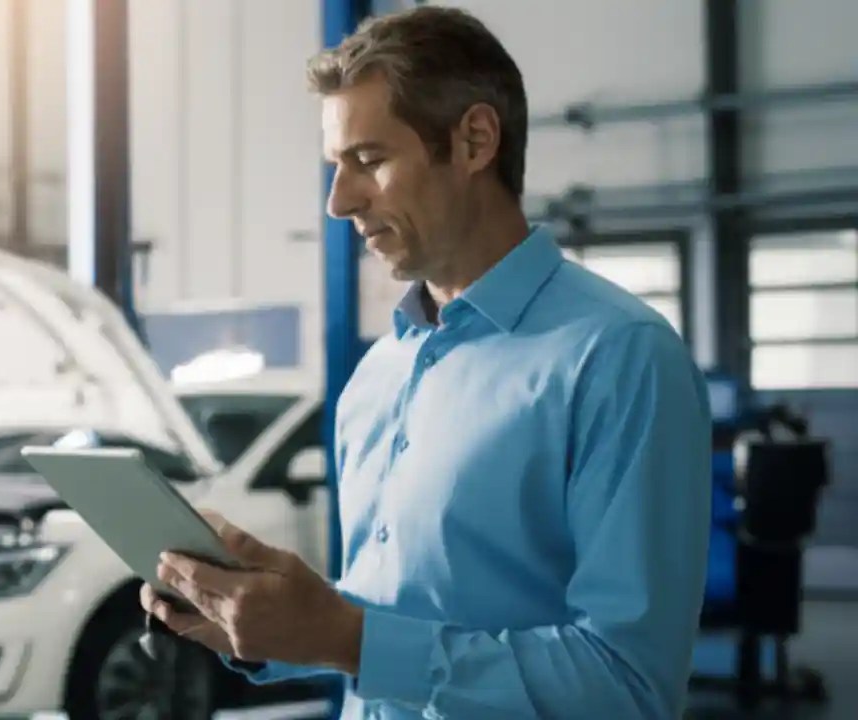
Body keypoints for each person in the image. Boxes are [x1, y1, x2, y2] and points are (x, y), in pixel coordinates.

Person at [142, 6, 711, 719]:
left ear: (475, 140)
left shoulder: (618, 357)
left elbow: (628, 685)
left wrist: (348, 638)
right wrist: (258, 625)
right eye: (335, 166)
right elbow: (392, 624)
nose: (339, 201)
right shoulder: (379, 376)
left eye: (370, 160)